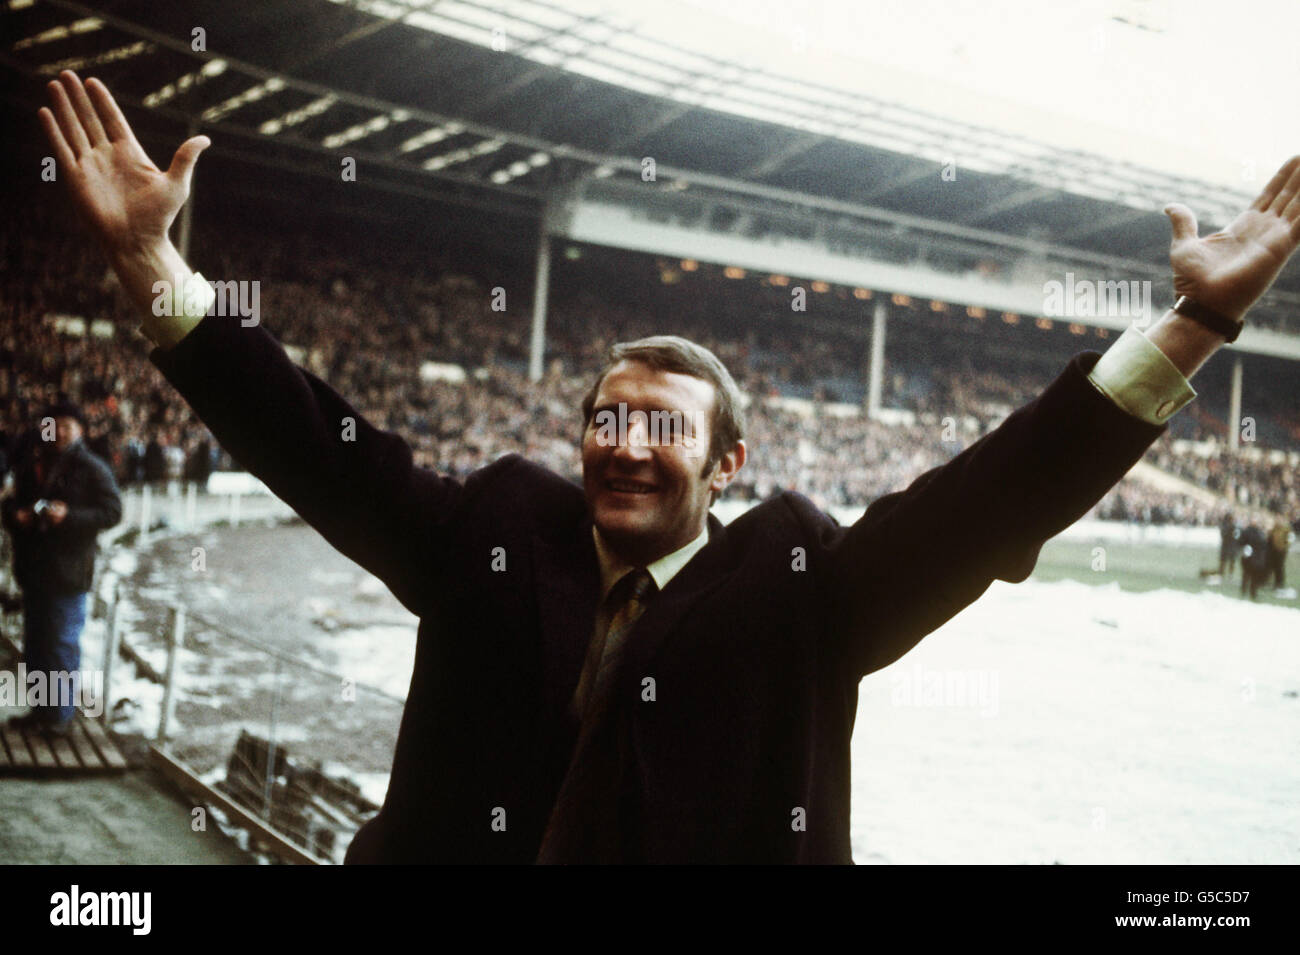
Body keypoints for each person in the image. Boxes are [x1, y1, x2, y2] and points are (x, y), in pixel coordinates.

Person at [36, 71, 1300, 861]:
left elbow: (986, 503)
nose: (623, 443)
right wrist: (158, 275)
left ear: (727, 460)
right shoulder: (495, 530)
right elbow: (318, 444)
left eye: (663, 425)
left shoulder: (802, 582)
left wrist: (1191, 326)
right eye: (606, 416)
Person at [0, 399, 122, 732]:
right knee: (37, 647)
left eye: (68, 425)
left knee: (61, 647)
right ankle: (41, 712)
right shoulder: (32, 463)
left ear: (81, 430)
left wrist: (69, 517)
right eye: (54, 425)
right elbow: (10, 505)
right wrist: (17, 516)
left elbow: (113, 513)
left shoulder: (93, 467)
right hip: (34, 571)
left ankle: (59, 717)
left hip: (68, 574)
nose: (60, 432)